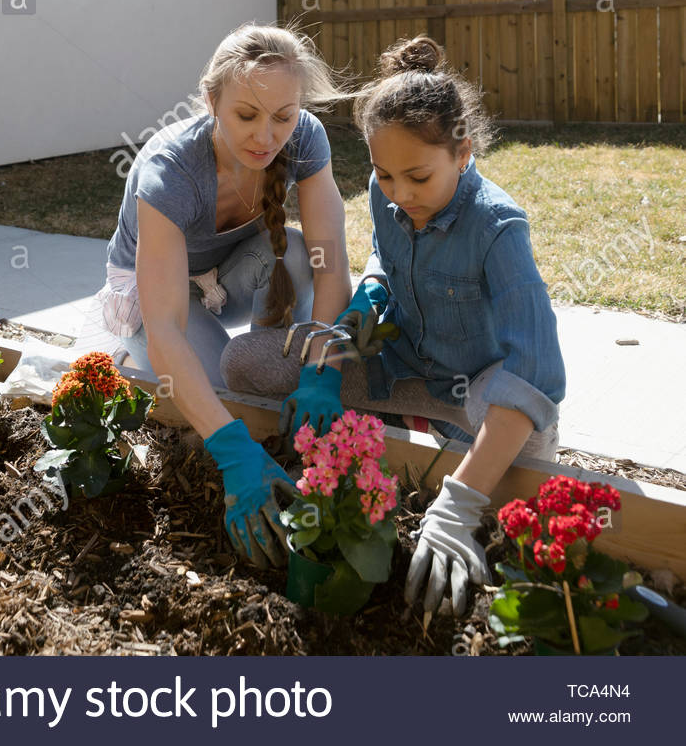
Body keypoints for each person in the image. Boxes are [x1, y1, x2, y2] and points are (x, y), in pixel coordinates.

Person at [221, 34, 566, 621]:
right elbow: (384, 260)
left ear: (463, 152)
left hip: (472, 388)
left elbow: (534, 372)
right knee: (245, 363)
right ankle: (402, 421)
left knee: (529, 436)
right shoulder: (392, 198)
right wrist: (355, 320)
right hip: (402, 368)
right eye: (384, 177)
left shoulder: (499, 228)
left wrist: (459, 503)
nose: (401, 195)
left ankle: (451, 452)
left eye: (418, 177)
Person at [93, 22, 354, 568]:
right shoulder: (170, 172)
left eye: (283, 116)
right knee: (214, 405)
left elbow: (333, 269)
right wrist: (232, 448)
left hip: (229, 275)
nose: (266, 136)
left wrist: (321, 369)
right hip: (159, 296)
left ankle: (279, 392)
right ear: (212, 101)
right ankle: (142, 365)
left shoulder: (305, 138)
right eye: (246, 116)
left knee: (303, 256)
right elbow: (165, 324)